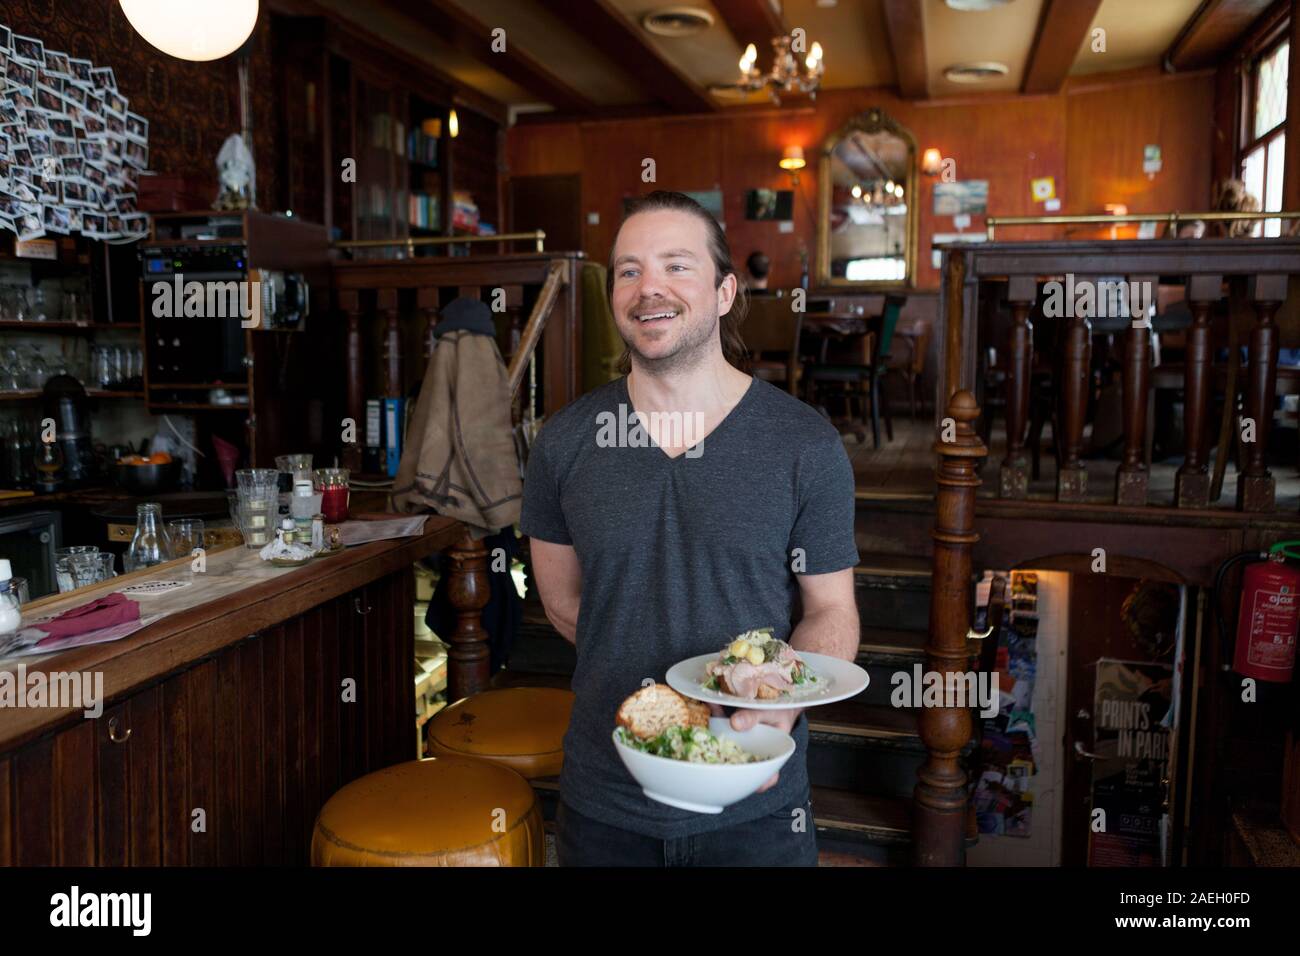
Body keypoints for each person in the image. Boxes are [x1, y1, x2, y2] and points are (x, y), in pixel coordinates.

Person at [521, 190, 860, 866]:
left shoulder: (804, 444)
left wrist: (777, 704)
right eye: (628, 270)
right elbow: (561, 601)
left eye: (677, 266)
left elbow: (832, 610)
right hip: (604, 801)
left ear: (725, 291)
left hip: (756, 800)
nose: (649, 288)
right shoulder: (562, 444)